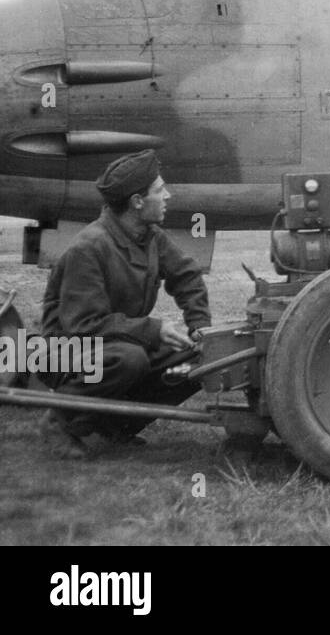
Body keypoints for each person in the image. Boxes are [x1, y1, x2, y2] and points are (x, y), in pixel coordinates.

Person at [37, 150, 211, 458]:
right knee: (130, 359)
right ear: (137, 202)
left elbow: (187, 276)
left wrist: (200, 327)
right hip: (65, 352)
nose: (168, 195)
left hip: (114, 343)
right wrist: (152, 330)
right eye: (160, 190)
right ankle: (60, 420)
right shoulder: (89, 248)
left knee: (199, 359)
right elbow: (83, 325)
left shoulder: (150, 235)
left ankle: (114, 426)